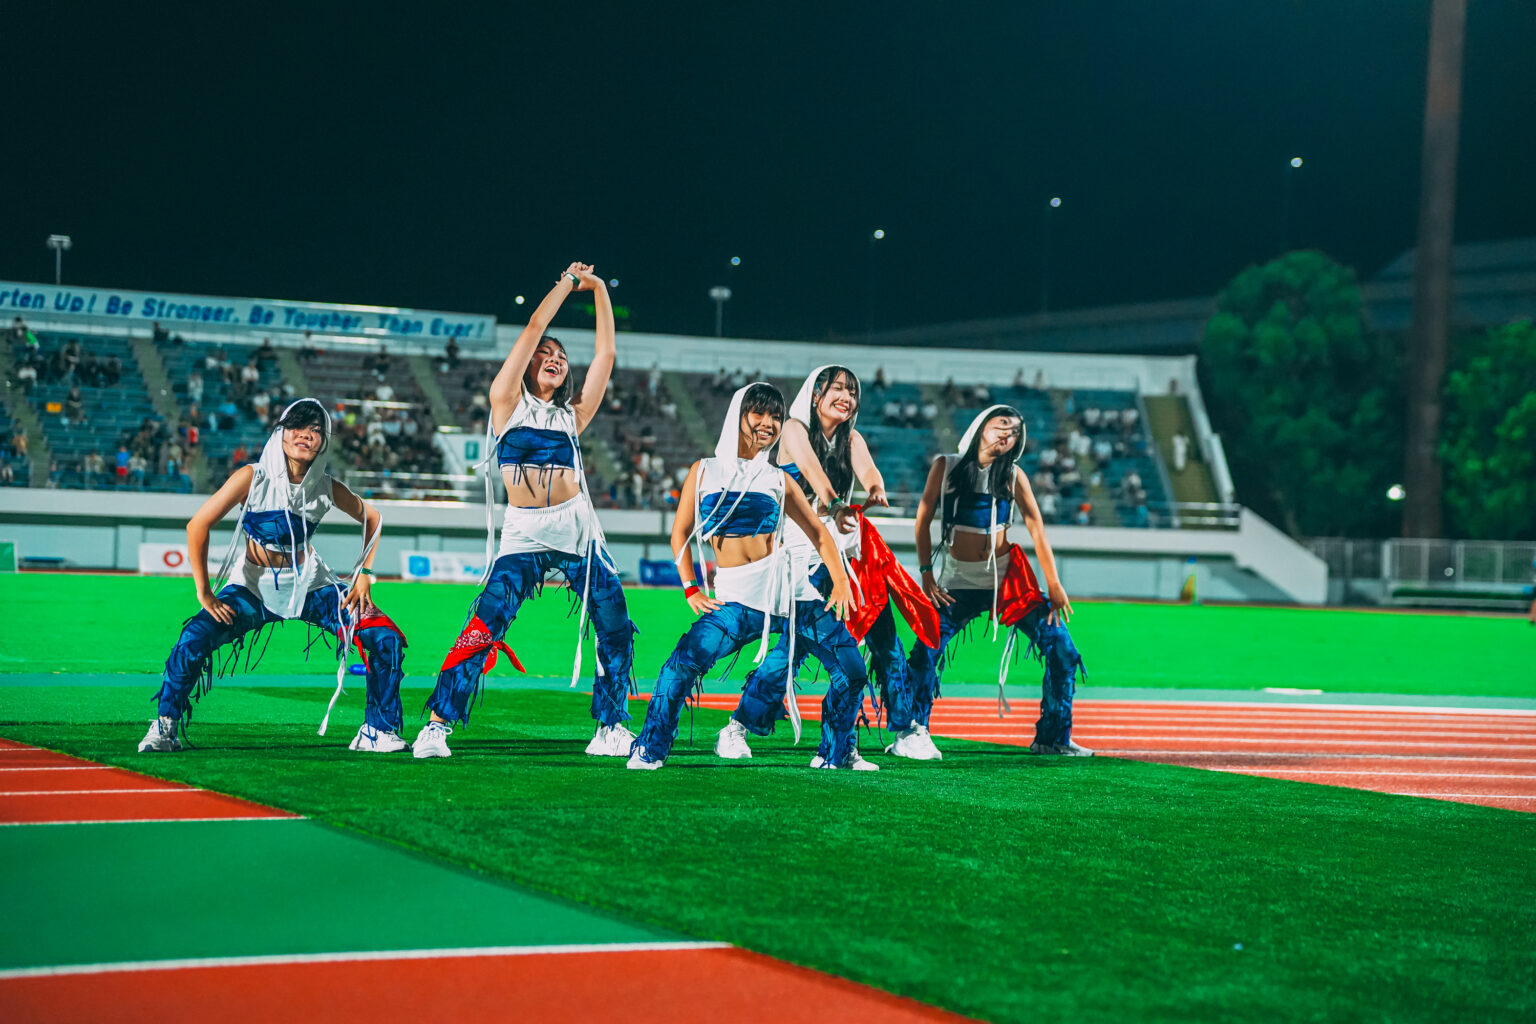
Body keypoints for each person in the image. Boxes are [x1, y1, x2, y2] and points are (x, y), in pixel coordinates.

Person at [417, 263, 637, 760]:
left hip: (578, 530)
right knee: (486, 622)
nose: (554, 358)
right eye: (546, 355)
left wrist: (599, 289)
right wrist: (566, 283)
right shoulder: (505, 402)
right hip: (524, 534)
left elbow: (607, 352)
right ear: (526, 364)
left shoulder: (572, 415)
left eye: (561, 356)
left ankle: (610, 726)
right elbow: (534, 327)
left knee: (615, 623)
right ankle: (436, 724)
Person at [137, 399, 409, 754]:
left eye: (316, 431)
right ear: (281, 432)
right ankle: (165, 727)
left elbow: (373, 517)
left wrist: (365, 574)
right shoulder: (253, 477)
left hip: (311, 585)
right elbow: (197, 525)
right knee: (193, 638)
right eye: (298, 426)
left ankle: (378, 731)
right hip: (252, 589)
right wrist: (205, 593)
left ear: (324, 443)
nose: (306, 435)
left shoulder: (325, 486)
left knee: (385, 637)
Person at [628, 382, 870, 770]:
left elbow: (821, 534)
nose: (769, 423)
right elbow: (680, 533)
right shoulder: (704, 470)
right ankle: (650, 748)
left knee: (852, 670)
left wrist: (840, 581)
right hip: (736, 601)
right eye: (758, 413)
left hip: (790, 594)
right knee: (681, 664)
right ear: (737, 415)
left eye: (776, 416)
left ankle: (836, 754)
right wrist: (690, 586)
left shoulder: (778, 478)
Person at [720, 366, 938, 765]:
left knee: (884, 640)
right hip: (803, 555)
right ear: (815, 394)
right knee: (792, 649)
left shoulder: (851, 437)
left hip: (848, 551)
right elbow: (813, 474)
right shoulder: (793, 430)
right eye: (837, 387)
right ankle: (737, 726)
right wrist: (835, 504)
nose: (847, 396)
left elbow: (869, 471)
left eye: (852, 391)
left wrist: (875, 490)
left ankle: (905, 729)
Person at [906, 406, 1090, 757]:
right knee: (924, 650)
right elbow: (923, 519)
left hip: (1006, 581)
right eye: (1002, 425)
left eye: (1016, 431)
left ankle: (1053, 738)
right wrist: (926, 574)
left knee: (1063, 649)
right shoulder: (945, 466)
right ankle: (915, 730)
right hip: (956, 581)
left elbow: (1036, 527)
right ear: (980, 426)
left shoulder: (1014, 475)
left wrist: (1053, 584)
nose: (1009, 434)